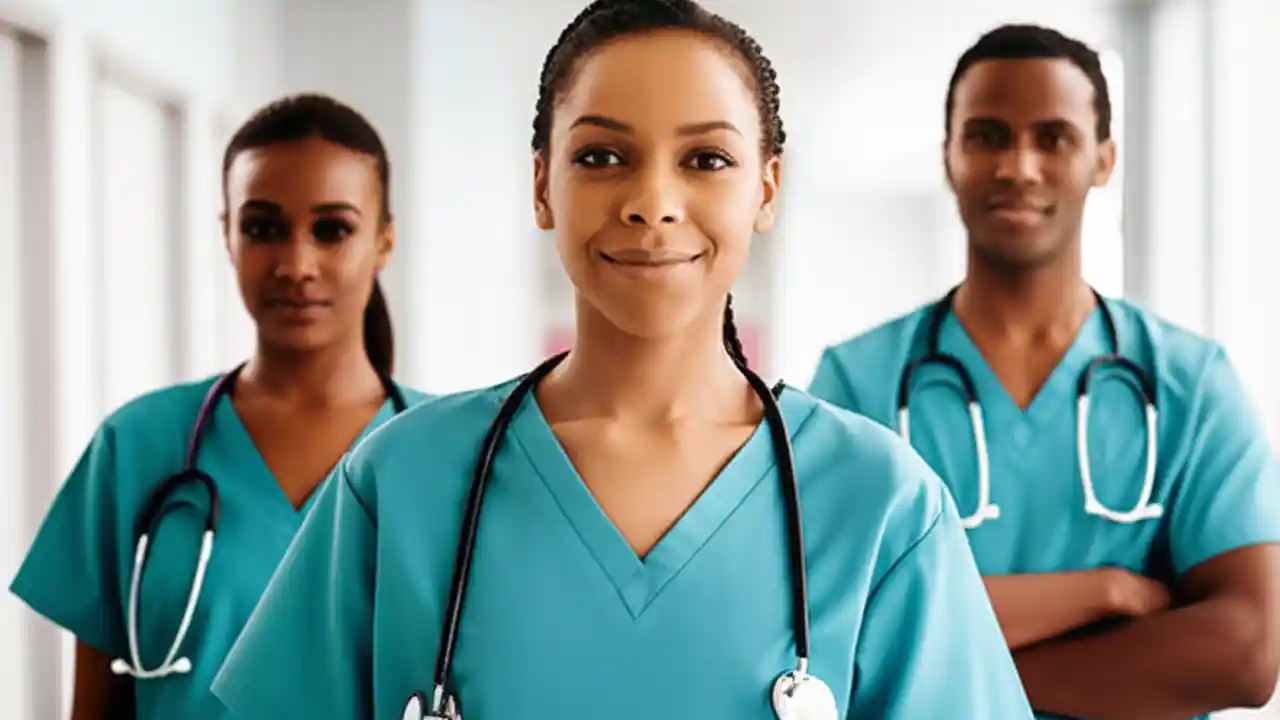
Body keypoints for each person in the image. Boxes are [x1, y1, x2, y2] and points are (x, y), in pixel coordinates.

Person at [210, 3, 1032, 719]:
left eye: (706, 159)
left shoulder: (881, 504)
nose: (651, 201)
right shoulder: (400, 483)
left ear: (767, 190)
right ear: (542, 186)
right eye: (601, 157)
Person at [808, 24, 1280, 719]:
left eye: (1053, 137)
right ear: (949, 157)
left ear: (1103, 159)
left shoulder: (1191, 382)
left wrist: (957, 671)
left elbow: (1246, 654)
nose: (1018, 166)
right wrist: (1106, 592)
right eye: (987, 136)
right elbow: (829, 630)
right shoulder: (857, 384)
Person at [9, 93, 428, 720]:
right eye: (262, 227)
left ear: (385, 241)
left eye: (332, 229)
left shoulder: (448, 457)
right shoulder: (137, 446)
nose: (295, 263)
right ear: (227, 236)